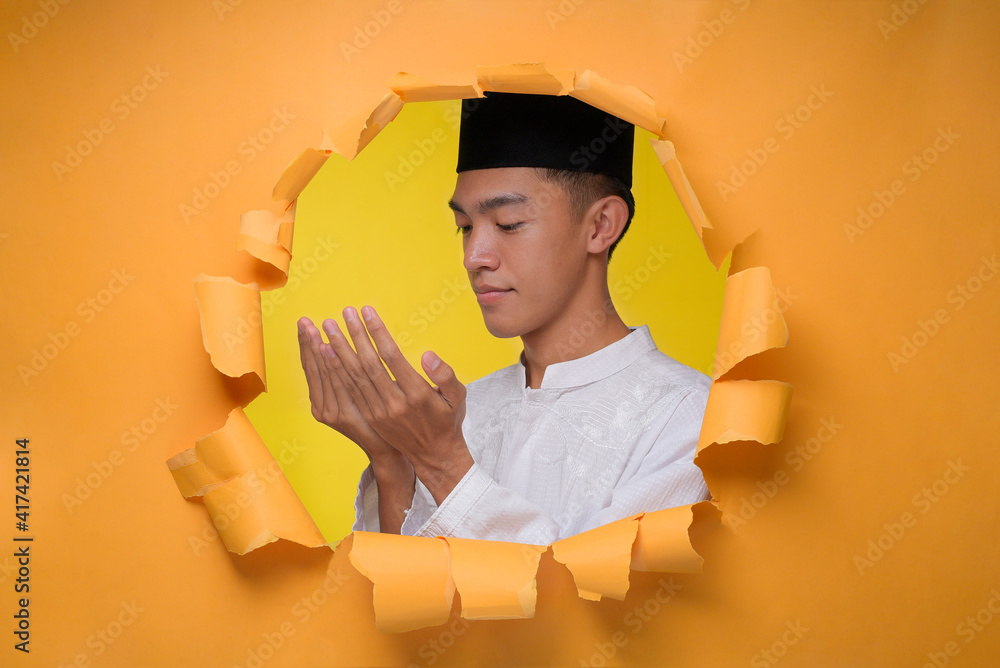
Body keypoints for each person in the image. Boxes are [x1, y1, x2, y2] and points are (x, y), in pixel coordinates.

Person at [296, 92, 711, 545]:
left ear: (600, 226)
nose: (474, 256)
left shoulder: (686, 418)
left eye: (509, 223)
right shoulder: (456, 414)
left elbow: (586, 603)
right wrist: (392, 460)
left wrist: (441, 462)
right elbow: (408, 606)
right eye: (465, 226)